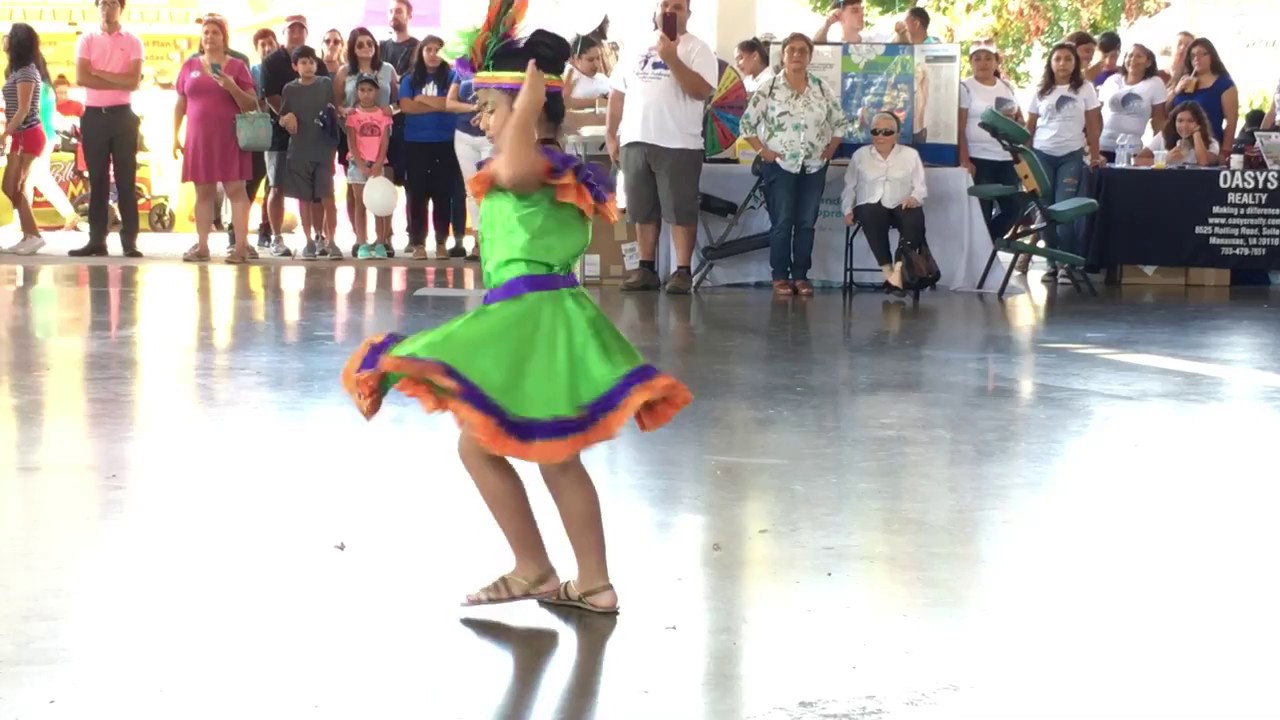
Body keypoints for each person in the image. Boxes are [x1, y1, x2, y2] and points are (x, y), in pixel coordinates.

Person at [340, 7, 691, 613]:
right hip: (541, 320)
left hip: (533, 321)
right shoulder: (546, 170)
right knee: (546, 453)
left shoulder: (536, 167)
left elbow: (519, 161)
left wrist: (524, 105)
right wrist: (519, 109)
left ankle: (537, 568)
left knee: (495, 448)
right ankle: (587, 580)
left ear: (528, 109)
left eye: (490, 109)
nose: (482, 119)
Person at [607, 0, 718, 294]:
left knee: (680, 209)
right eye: (665, 5)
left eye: (678, 7)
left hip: (678, 141)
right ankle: (646, 268)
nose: (670, 10)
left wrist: (671, 58)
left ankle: (682, 271)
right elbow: (617, 93)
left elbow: (700, 91)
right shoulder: (635, 46)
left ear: (688, 14)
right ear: (655, 11)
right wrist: (611, 134)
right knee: (641, 209)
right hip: (635, 138)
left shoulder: (698, 49)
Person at [740, 32, 846, 296]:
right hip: (780, 166)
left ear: (809, 56)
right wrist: (763, 151)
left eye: (802, 51)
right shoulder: (769, 88)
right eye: (792, 51)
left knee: (806, 222)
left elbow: (840, 122)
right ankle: (779, 276)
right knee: (782, 222)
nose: (797, 55)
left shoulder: (822, 88)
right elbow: (746, 123)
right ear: (783, 55)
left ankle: (801, 275)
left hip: (813, 166)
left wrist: (830, 149)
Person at [174, 14, 260, 264]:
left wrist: (231, 86)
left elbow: (251, 104)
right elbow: (181, 103)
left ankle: (241, 247)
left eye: (215, 32)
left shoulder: (237, 66)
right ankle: (202, 246)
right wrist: (175, 135)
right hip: (199, 138)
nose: (210, 36)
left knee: (236, 189)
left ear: (224, 38)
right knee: (203, 192)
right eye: (206, 32)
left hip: (230, 136)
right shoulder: (189, 66)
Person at [71, 0, 144, 258]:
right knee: (97, 180)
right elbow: (82, 77)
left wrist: (99, 73)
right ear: (97, 7)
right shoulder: (87, 39)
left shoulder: (133, 41)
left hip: (123, 116)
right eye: (102, 3)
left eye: (112, 3)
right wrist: (117, 79)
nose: (107, 8)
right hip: (93, 116)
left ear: (120, 7)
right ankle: (96, 240)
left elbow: (133, 81)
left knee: (126, 180)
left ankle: (130, 241)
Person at [1026, 42, 1103, 281]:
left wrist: (1095, 154)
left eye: (1068, 59)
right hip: (1041, 156)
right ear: (1050, 63)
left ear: (1075, 63)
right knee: (1046, 211)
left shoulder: (1085, 89)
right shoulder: (1041, 91)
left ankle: (1066, 264)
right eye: (1057, 59)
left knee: (1065, 209)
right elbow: (1029, 128)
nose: (1062, 63)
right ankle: (1051, 264)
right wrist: (1024, 161)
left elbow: (1092, 124)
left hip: (1071, 155)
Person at [260, 14, 331, 258]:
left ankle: (316, 238)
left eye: (301, 29)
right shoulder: (272, 62)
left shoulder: (317, 62)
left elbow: (326, 96)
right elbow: (269, 96)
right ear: (284, 33)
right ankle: (276, 238)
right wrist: (288, 117)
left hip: (312, 138)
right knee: (276, 186)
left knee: (313, 190)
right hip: (280, 136)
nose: (296, 33)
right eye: (292, 30)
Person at [841, 112, 926, 297]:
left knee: (914, 215)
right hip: (870, 203)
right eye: (876, 131)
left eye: (887, 132)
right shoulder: (860, 155)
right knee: (871, 213)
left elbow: (920, 188)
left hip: (901, 203)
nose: (880, 136)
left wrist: (914, 198)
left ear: (897, 135)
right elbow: (850, 187)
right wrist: (847, 210)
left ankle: (899, 269)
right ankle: (887, 270)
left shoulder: (910, 155)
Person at [398, 35, 467, 260]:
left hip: (444, 142)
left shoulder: (452, 76)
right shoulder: (410, 78)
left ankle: (440, 242)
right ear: (421, 52)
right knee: (416, 194)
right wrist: (438, 104)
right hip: (416, 143)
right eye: (428, 49)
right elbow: (406, 106)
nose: (433, 54)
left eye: (438, 49)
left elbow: (451, 105)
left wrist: (423, 100)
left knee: (442, 193)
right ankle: (418, 243)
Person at [335, 26, 397, 258]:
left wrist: (391, 109)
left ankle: (382, 240)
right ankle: (361, 241)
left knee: (381, 198)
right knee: (358, 198)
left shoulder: (387, 69)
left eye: (369, 43)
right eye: (360, 44)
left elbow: (399, 101)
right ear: (352, 48)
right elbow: (337, 104)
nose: (365, 48)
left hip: (381, 147)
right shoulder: (344, 72)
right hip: (355, 145)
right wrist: (345, 112)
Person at [279, 44, 342, 260]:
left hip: (323, 150)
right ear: (295, 66)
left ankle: (330, 240)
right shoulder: (289, 89)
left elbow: (334, 111)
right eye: (303, 62)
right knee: (304, 198)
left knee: (327, 197)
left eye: (312, 62)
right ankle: (308, 241)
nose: (308, 66)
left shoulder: (325, 84)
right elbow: (282, 116)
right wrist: (286, 120)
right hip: (298, 151)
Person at [958, 41, 1022, 245]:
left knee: (1015, 208)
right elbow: (959, 128)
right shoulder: (965, 87)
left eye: (988, 58)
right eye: (977, 58)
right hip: (980, 158)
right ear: (970, 63)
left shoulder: (1006, 87)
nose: (983, 63)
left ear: (996, 61)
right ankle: (981, 260)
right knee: (981, 212)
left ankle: (988, 244)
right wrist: (964, 159)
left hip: (1006, 157)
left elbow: (1018, 120)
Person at [1, 23, 49, 256]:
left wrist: (5, 133)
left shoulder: (27, 72)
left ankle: (34, 235)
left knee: (12, 186)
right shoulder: (18, 71)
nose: (4, 39)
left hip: (27, 135)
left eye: (8, 36)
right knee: (14, 187)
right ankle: (29, 235)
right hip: (22, 134)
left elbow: (23, 110)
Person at [344, 73, 393, 259]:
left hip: (377, 164)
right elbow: (351, 141)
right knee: (360, 204)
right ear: (357, 92)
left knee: (378, 204)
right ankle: (362, 241)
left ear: (376, 91)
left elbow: (384, 140)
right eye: (362, 90)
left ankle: (380, 242)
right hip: (358, 165)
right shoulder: (353, 116)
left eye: (370, 90)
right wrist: (360, 163)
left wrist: (379, 162)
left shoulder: (383, 115)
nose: (366, 94)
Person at [1168, 37, 1237, 159]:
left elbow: (1231, 121)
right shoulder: (1183, 80)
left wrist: (1225, 151)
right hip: (1178, 146)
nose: (1196, 59)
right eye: (1192, 55)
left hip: (1209, 146)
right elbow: (1165, 110)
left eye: (1201, 54)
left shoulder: (1224, 84)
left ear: (1212, 56)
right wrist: (1176, 91)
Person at [1098, 43, 1167, 162]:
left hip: (1131, 149)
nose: (1133, 59)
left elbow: (1159, 120)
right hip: (1102, 146)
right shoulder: (1112, 80)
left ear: (1148, 62)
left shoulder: (1155, 83)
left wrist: (1157, 150)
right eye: (1129, 56)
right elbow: (1096, 113)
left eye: (1139, 56)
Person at [450, 74, 487, 262]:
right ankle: (479, 242)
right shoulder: (461, 71)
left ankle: (492, 240)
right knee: (471, 190)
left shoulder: (497, 65)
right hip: (464, 135)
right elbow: (450, 103)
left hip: (490, 135)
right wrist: (473, 107)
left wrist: (486, 112)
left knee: (490, 190)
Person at [1135, 101, 1220, 167]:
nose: (1184, 125)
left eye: (1190, 121)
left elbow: (1204, 162)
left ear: (1199, 123)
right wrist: (1165, 158)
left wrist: (1197, 134)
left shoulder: (1211, 143)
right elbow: (1137, 160)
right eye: (1180, 121)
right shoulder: (1163, 137)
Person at [563, 35, 612, 110]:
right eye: (590, 60)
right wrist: (599, 102)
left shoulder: (602, 78)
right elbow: (565, 102)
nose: (597, 64)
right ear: (576, 59)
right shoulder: (570, 78)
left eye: (598, 58)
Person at [816, 0, 888, 44]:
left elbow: (896, 45)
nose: (862, 14)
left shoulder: (875, 40)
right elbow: (814, 49)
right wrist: (827, 23)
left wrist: (899, 34)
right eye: (855, 10)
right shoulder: (832, 45)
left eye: (862, 9)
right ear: (838, 15)